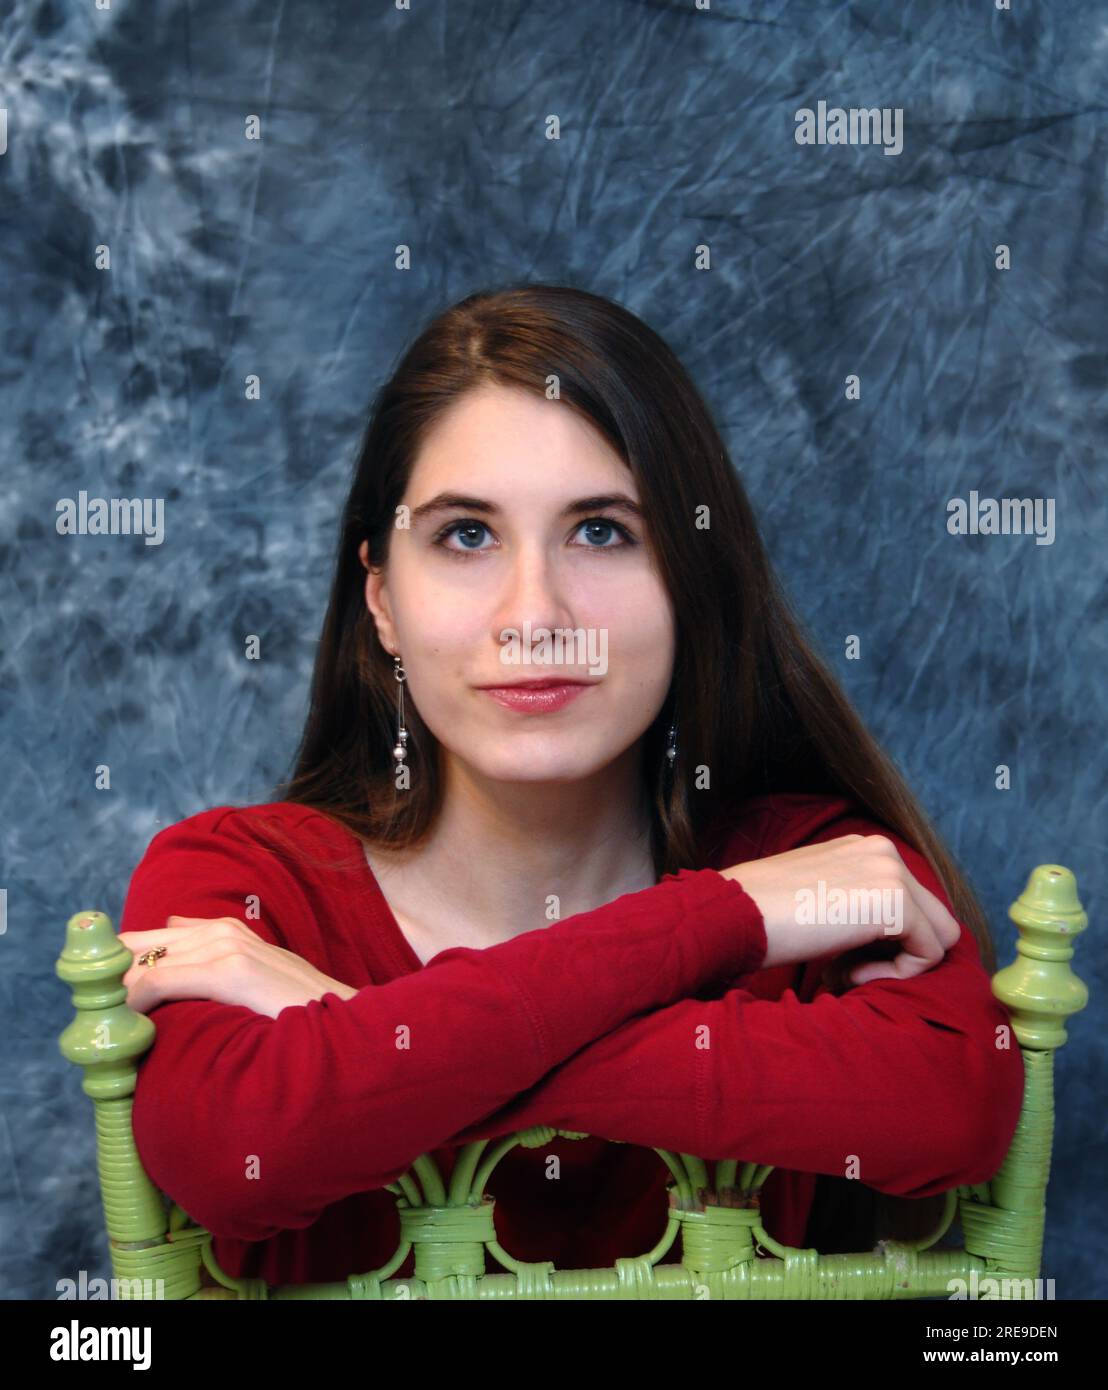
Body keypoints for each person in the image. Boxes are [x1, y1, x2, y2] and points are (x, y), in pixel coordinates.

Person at [116, 283, 1024, 1288]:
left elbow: (960, 1109)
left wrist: (368, 1025)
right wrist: (728, 915)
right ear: (381, 599)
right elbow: (236, 1156)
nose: (536, 614)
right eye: (466, 535)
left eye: (600, 531)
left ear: (690, 578)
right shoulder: (242, 885)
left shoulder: (811, 866)